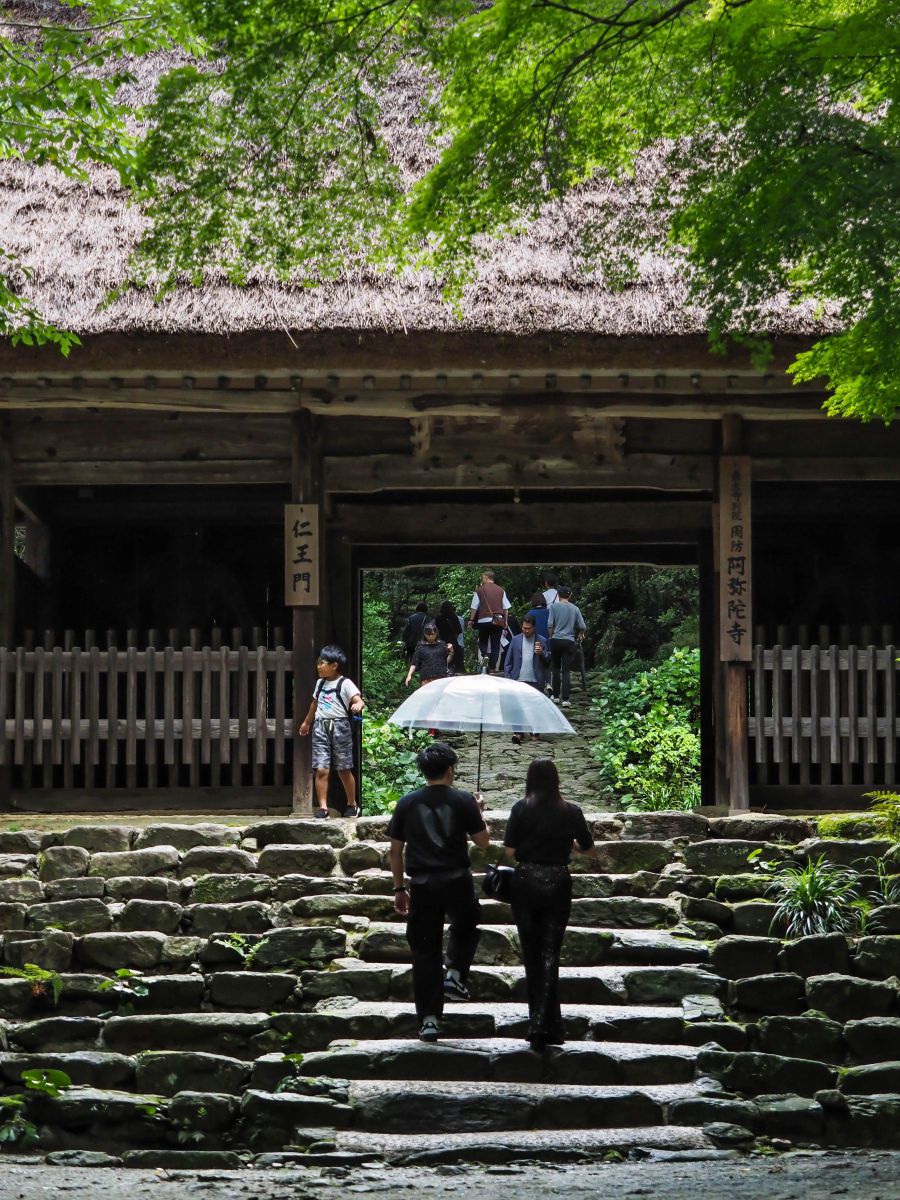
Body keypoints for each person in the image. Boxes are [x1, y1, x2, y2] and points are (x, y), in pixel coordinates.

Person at [388, 742, 490, 1043]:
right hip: (457, 879)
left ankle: (430, 1019)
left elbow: (395, 850)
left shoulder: (407, 803)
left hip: (421, 884)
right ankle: (456, 973)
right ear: (450, 770)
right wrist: (479, 812)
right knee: (468, 921)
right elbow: (483, 842)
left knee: (424, 950)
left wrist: (398, 887)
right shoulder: (463, 800)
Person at [503, 758, 595, 1051]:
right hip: (558, 882)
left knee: (531, 954)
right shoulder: (570, 811)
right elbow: (589, 850)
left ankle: (539, 1022)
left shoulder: (520, 808)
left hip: (526, 881)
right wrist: (570, 846)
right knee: (550, 953)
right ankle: (547, 1024)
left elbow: (509, 852)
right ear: (556, 780)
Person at [297, 644, 364, 819]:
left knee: (344, 768)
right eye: (318, 663)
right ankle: (323, 808)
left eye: (322, 663)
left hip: (340, 727)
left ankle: (352, 804)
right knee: (321, 768)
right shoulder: (320, 684)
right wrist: (306, 723)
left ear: (334, 665)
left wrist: (357, 705)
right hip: (320, 727)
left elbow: (359, 700)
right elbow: (314, 704)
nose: (318, 666)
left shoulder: (345, 683)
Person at [503, 615, 550, 743]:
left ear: (534, 627)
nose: (526, 630)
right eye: (524, 628)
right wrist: (508, 677)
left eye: (529, 628)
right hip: (518, 678)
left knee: (536, 708)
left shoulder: (542, 640)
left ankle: (535, 732)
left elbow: (548, 661)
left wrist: (542, 653)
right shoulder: (516, 640)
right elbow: (508, 662)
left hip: (536, 679)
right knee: (517, 707)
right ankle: (518, 733)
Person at [547, 586, 586, 708]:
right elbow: (582, 626)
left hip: (556, 640)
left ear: (558, 595)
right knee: (566, 671)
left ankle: (556, 697)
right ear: (570, 596)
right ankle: (566, 699)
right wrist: (580, 635)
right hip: (569, 641)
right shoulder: (575, 608)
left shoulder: (554, 607)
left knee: (556, 669)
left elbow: (549, 625)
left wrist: (551, 636)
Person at [467, 569, 510, 673]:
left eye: (483, 578)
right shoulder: (501, 590)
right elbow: (506, 608)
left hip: (483, 620)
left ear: (486, 578)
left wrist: (471, 619)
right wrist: (506, 621)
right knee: (496, 645)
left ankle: (485, 655)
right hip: (498, 621)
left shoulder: (479, 590)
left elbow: (474, 607)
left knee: (482, 641)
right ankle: (491, 666)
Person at [405, 620, 453, 688]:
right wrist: (409, 675)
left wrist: (451, 652)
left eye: (433, 634)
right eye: (429, 634)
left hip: (441, 678)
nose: (431, 636)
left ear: (436, 633)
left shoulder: (442, 644)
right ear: (425, 634)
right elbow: (414, 662)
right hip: (426, 679)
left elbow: (446, 662)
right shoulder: (421, 646)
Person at [436, 600, 465, 674]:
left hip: (442, 642)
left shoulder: (439, 618)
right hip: (453, 642)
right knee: (457, 662)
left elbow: (436, 631)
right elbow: (458, 631)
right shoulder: (454, 617)